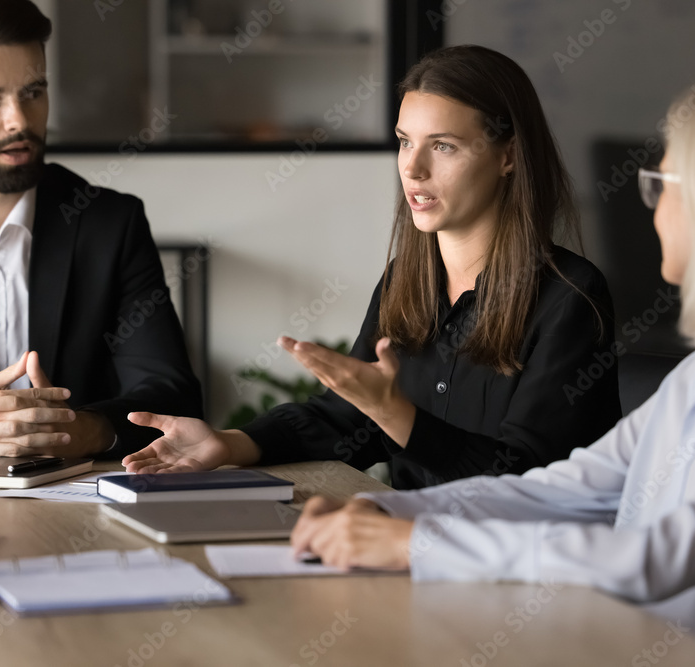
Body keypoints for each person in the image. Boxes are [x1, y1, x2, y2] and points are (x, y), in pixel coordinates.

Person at [286, 75, 695, 650]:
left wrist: (414, 543)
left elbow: (663, 557)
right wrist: (387, 508)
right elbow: (558, 491)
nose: (654, 209)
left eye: (664, 184)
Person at [124, 46, 622, 489]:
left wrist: (395, 413)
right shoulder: (405, 280)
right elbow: (349, 422)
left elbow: (529, 479)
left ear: (508, 156)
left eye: (443, 146)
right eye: (405, 141)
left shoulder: (570, 297)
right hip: (408, 541)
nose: (413, 168)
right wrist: (230, 442)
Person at [0, 0, 203, 461]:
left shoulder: (110, 224)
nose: (18, 120)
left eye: (33, 92)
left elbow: (173, 397)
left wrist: (83, 429)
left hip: (73, 493)